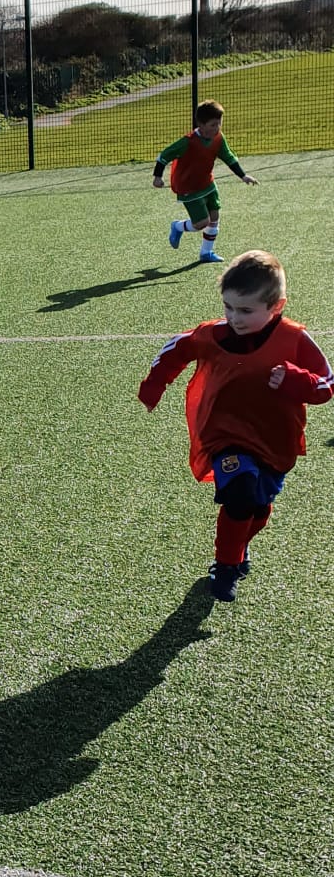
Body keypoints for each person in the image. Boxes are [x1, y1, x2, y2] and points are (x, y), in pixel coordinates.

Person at [138, 248, 331, 601]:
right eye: (228, 307)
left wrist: (295, 380)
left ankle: (238, 548)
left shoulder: (294, 340)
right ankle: (225, 567)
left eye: (245, 310)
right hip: (224, 433)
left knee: (258, 508)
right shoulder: (213, 335)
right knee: (239, 494)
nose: (234, 318)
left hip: (275, 440)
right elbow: (176, 348)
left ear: (276, 306)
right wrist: (154, 385)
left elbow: (326, 385)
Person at [153, 100, 258, 264]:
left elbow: (229, 157)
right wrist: (157, 177)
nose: (217, 128)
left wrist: (243, 176)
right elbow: (163, 156)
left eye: (219, 124)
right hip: (188, 188)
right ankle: (178, 226)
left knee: (214, 216)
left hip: (207, 183)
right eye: (213, 125)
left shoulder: (218, 138)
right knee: (201, 223)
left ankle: (206, 253)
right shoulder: (187, 142)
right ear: (201, 125)